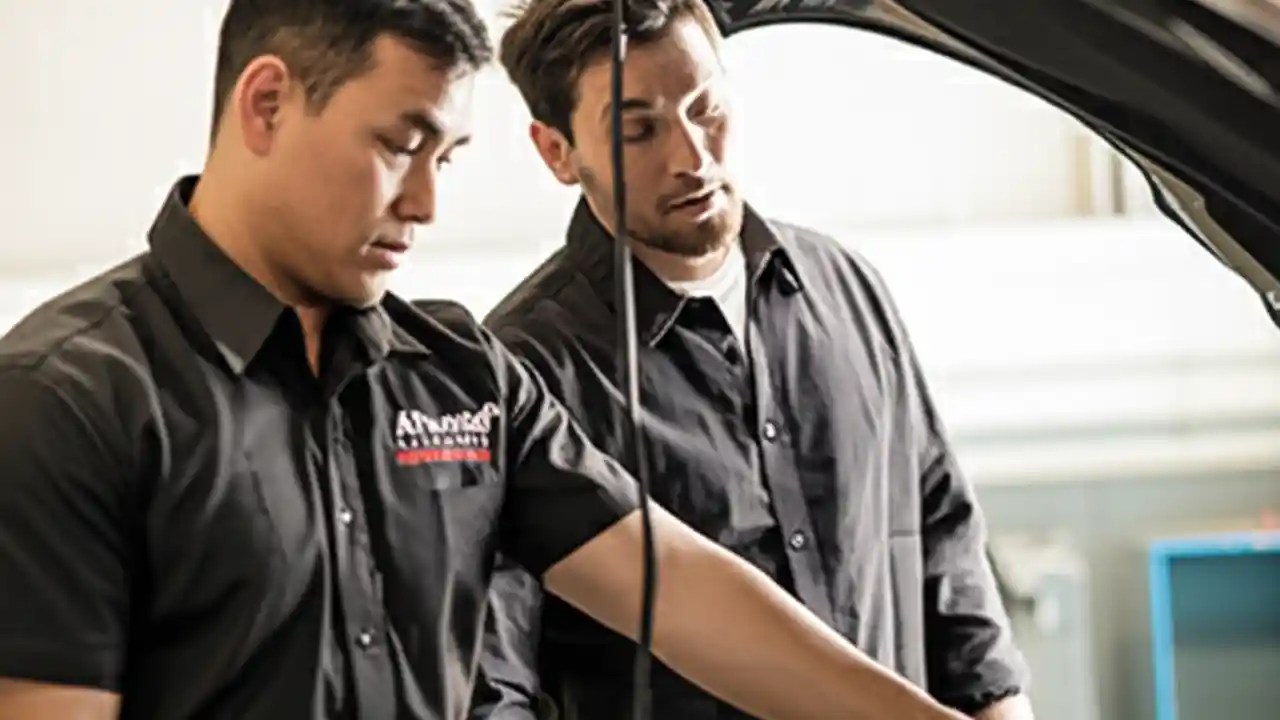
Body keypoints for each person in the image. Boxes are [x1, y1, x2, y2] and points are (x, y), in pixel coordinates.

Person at [0, 1, 976, 719]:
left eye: (448, 158)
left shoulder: (461, 378)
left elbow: (680, 589)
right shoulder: (66, 400)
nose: (425, 205)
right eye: (398, 145)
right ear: (266, 104)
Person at [471, 0, 1035, 718]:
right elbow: (497, 681)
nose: (692, 158)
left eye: (706, 109)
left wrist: (1001, 709)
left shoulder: (846, 288)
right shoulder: (525, 371)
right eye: (638, 130)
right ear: (557, 151)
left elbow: (943, 537)